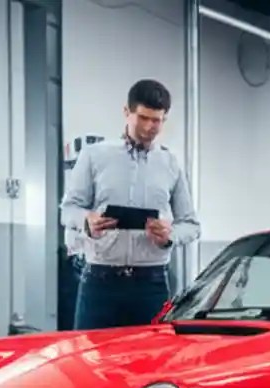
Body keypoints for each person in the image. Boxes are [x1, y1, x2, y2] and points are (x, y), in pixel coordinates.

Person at [60, 79, 200, 329]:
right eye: (143, 118)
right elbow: (68, 210)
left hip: (151, 284)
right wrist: (87, 221)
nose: (149, 127)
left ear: (164, 119)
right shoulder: (94, 155)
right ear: (127, 112)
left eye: (156, 120)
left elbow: (191, 225)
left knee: (151, 353)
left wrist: (170, 235)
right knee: (90, 352)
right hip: (99, 281)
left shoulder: (171, 163)